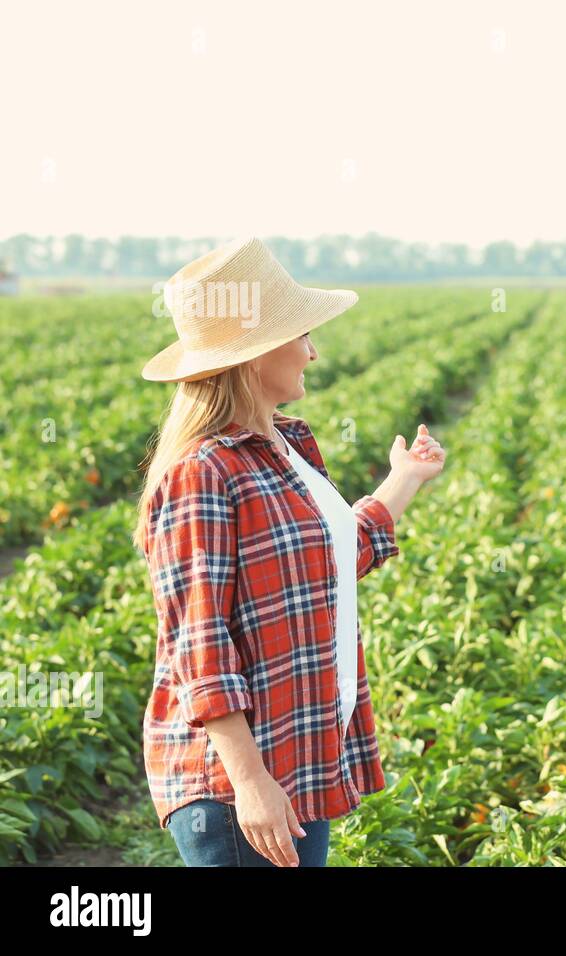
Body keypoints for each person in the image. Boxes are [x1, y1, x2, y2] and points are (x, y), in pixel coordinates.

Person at [133, 236, 445, 866]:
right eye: (300, 334)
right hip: (236, 785)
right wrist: (250, 783)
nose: (312, 351)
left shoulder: (284, 448)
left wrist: (404, 479)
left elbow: (325, 565)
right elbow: (200, 645)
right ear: (254, 355)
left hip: (297, 754)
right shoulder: (203, 472)